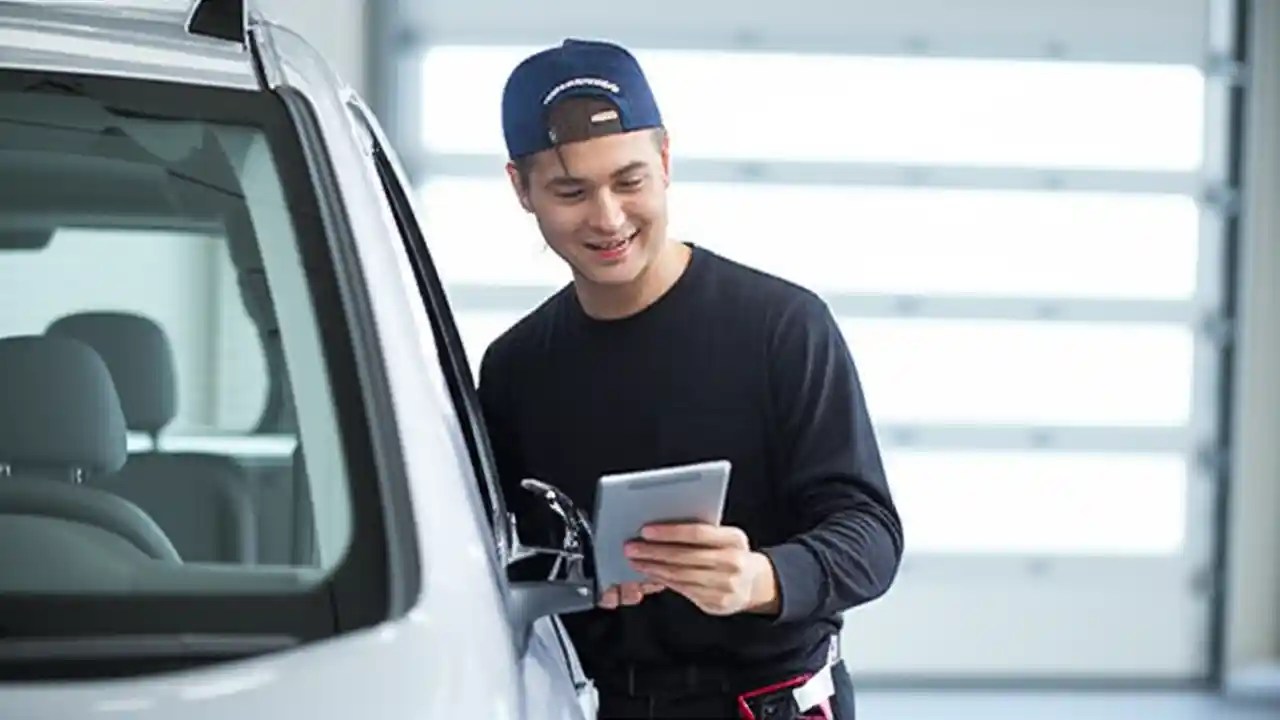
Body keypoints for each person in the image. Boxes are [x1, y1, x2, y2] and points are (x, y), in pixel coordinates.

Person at [478, 38, 904, 720]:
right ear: (521, 189)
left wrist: (759, 578)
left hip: (773, 704)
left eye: (630, 180)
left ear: (666, 161)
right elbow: (510, 555)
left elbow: (870, 534)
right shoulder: (514, 367)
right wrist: (577, 581)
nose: (609, 217)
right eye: (570, 190)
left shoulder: (783, 328)